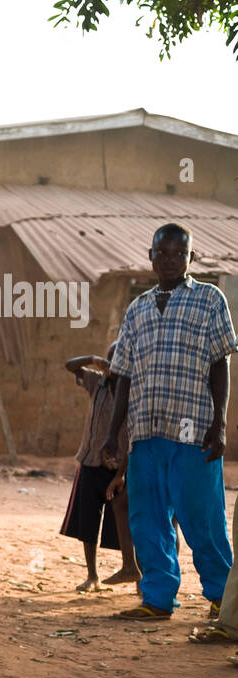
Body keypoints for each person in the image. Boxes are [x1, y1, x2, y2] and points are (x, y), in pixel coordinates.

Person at [104, 223, 237, 621]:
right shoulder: (138, 308)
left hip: (193, 430)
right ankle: (157, 598)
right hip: (145, 432)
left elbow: (221, 363)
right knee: (148, 519)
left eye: (178, 254)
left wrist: (221, 424)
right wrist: (113, 433)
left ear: (190, 258)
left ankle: (223, 601)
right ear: (151, 256)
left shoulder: (210, 299)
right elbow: (123, 374)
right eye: (162, 253)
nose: (169, 260)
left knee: (203, 520)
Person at [60, 345, 137, 591]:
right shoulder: (97, 382)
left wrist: (122, 472)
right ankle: (92, 575)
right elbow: (70, 365)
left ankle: (137, 575)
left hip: (122, 467)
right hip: (91, 461)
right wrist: (92, 359)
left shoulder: (136, 390)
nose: (116, 365)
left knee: (130, 523)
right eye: (112, 360)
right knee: (87, 522)